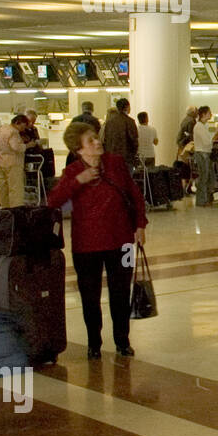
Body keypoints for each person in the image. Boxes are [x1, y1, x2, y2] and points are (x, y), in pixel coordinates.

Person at [48, 122, 147, 358]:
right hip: (87, 244)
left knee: (121, 293)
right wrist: (79, 180)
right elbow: (53, 201)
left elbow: (134, 194)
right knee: (90, 296)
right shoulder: (72, 172)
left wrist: (140, 224)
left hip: (121, 240)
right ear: (78, 149)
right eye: (90, 140)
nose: (97, 142)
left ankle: (122, 340)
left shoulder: (115, 163)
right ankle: (94, 343)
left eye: (96, 138)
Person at [0, 114, 29, 208]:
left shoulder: (2, 129)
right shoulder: (13, 132)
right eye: (24, 125)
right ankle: (16, 211)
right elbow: (16, 147)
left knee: (3, 189)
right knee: (15, 189)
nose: (24, 129)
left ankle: (5, 210)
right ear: (18, 123)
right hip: (13, 163)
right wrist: (27, 146)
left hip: (1, 161)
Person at [102, 98, 139, 168]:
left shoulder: (109, 122)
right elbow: (134, 141)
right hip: (126, 158)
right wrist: (133, 154)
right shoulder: (130, 121)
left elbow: (106, 140)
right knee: (126, 177)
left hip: (112, 157)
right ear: (127, 107)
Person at [192, 106, 215, 206]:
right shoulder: (199, 127)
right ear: (203, 114)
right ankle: (201, 201)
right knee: (203, 178)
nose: (211, 114)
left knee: (207, 177)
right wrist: (212, 141)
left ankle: (206, 199)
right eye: (209, 113)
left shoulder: (204, 126)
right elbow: (207, 141)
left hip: (205, 153)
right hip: (202, 153)